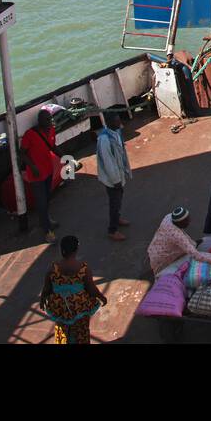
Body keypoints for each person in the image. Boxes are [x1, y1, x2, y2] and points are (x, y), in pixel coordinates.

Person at [40, 235, 106, 344]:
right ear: (76, 250)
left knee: (61, 329)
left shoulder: (53, 268)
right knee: (81, 331)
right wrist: (101, 297)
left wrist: (43, 300)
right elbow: (91, 289)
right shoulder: (83, 268)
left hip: (60, 307)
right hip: (79, 307)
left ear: (62, 251)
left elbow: (47, 288)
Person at [21, 105, 62, 241]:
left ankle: (46, 220)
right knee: (41, 201)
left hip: (48, 170)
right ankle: (47, 231)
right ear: (40, 121)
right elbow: (22, 153)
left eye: (50, 119)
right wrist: (32, 167)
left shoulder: (51, 131)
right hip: (37, 175)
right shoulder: (30, 135)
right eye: (47, 120)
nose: (50, 122)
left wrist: (64, 155)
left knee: (48, 197)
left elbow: (52, 146)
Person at [146, 206, 211, 277]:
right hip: (161, 258)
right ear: (179, 223)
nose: (189, 221)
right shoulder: (176, 235)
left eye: (188, 218)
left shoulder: (168, 217)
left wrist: (193, 243)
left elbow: (183, 235)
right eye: (187, 221)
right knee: (163, 275)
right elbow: (195, 255)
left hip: (155, 248)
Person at [95, 109, 132, 241]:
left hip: (119, 173)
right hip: (112, 178)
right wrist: (115, 180)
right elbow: (108, 162)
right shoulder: (104, 139)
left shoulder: (116, 132)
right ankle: (112, 229)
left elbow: (121, 152)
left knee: (118, 198)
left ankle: (117, 217)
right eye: (116, 121)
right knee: (114, 201)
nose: (119, 123)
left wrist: (126, 169)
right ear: (109, 122)